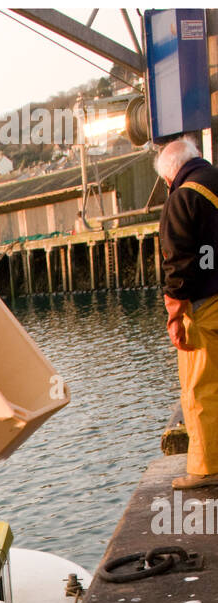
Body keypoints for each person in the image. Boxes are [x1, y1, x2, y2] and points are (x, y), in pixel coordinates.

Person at [156, 136, 218, 489]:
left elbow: (178, 263)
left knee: (200, 390)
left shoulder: (183, 198)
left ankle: (207, 468)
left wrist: (175, 315)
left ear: (169, 177)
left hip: (206, 307)